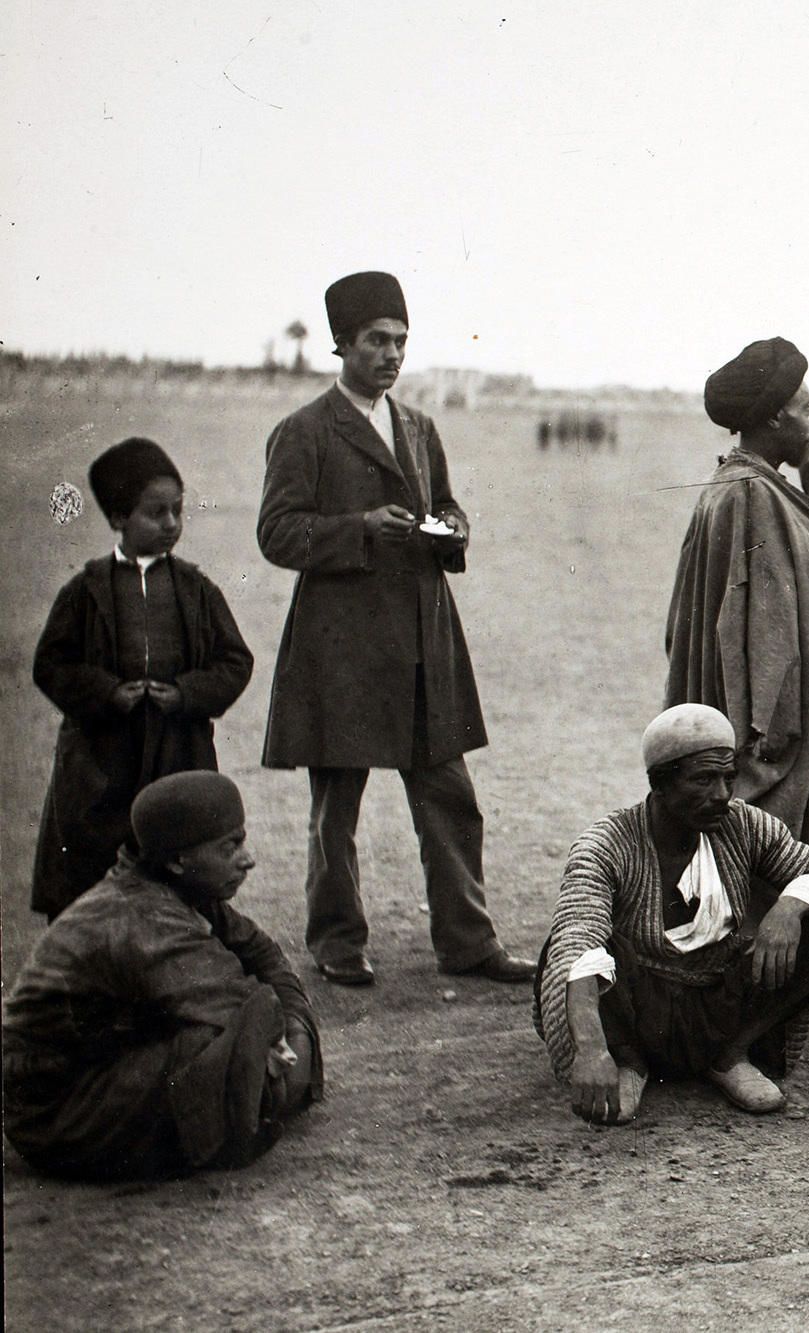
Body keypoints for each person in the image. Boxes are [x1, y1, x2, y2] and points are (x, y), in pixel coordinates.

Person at [258, 270, 534, 987]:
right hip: (341, 644)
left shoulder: (418, 427)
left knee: (450, 797)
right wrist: (360, 530)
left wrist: (452, 527)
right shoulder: (304, 431)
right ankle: (337, 941)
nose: (391, 354)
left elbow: (444, 503)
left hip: (422, 639)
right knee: (336, 806)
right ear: (341, 343)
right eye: (377, 340)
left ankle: (468, 941)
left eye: (401, 341)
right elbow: (277, 533)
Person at [534, 705, 809, 1121]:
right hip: (639, 1006)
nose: (722, 795)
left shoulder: (742, 825)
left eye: (729, 778)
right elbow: (576, 944)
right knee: (577, 949)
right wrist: (590, 1050)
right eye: (703, 779)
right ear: (660, 784)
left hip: (719, 1002)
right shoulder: (606, 844)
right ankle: (627, 1063)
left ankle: (729, 1056)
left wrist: (788, 907)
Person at [3, 772, 321, 1179]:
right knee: (223, 1046)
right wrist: (293, 1038)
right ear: (176, 860)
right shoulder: (142, 915)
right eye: (230, 847)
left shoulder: (174, 884)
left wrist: (286, 1035)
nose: (248, 859)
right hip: (56, 1111)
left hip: (100, 1069)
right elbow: (251, 1008)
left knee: (245, 1051)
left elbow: (263, 954)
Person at [31, 437, 254, 919]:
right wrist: (107, 692)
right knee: (93, 879)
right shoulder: (85, 591)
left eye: (177, 510)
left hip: (179, 751)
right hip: (101, 763)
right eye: (156, 512)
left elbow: (235, 660)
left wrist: (188, 694)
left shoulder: (196, 589)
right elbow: (50, 664)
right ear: (118, 518)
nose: (171, 523)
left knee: (178, 864)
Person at [663, 337, 809, 862]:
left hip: (725, 719)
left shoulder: (729, 485)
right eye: (807, 407)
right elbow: (788, 618)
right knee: (769, 859)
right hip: (759, 738)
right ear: (774, 418)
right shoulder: (755, 496)